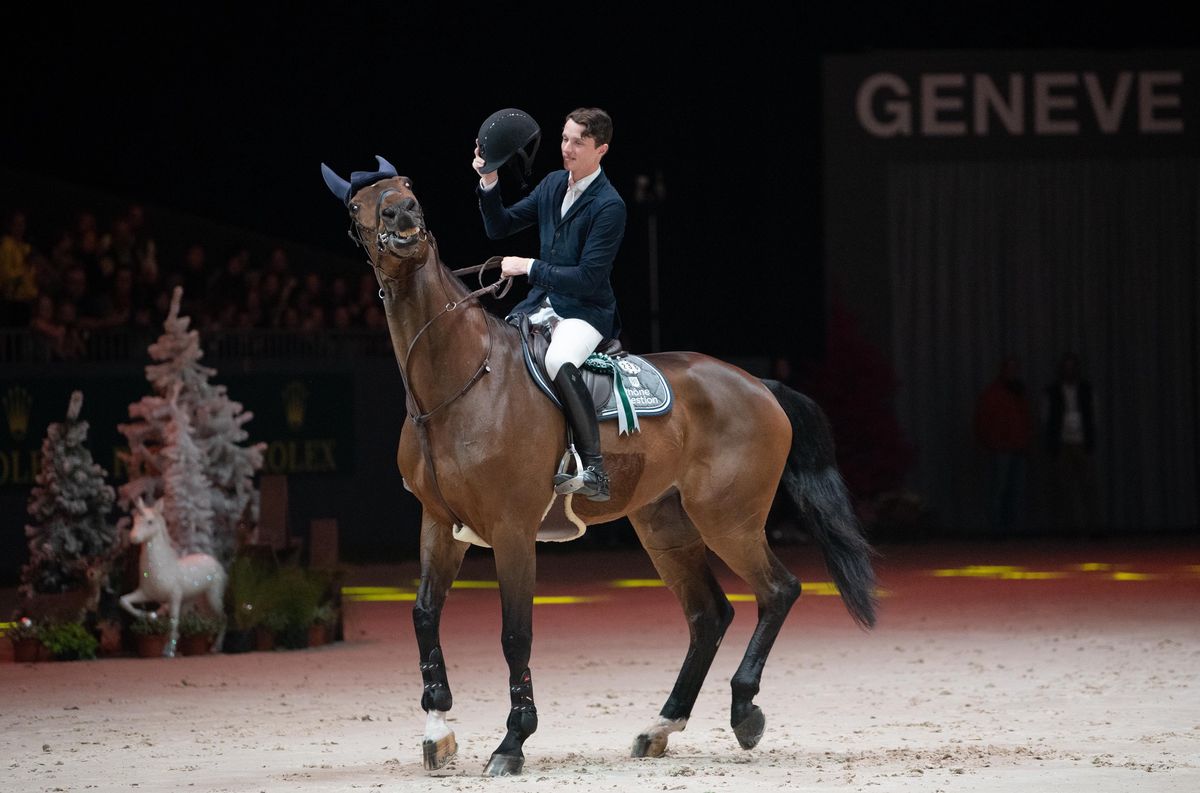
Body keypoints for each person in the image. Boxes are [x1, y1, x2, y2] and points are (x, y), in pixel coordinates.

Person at [472, 107, 626, 501]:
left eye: (578, 142)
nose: (567, 149)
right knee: (498, 350)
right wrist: (489, 180)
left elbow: (588, 277)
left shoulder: (609, 205)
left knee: (558, 359)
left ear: (601, 150)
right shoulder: (553, 184)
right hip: (542, 303)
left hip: (586, 311)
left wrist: (529, 266)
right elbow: (500, 227)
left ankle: (594, 467)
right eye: (564, 138)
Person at [973, 356, 1034, 538]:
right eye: (1009, 369)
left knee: (1016, 490)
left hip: (1018, 449)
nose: (1012, 373)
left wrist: (1025, 441)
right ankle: (996, 529)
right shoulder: (992, 394)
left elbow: (1027, 420)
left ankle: (1012, 528)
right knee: (998, 489)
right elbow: (982, 422)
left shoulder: (1020, 394)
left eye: (1015, 369)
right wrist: (992, 443)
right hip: (1000, 450)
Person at [1042, 352, 1100, 537]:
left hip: (1082, 442)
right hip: (1062, 443)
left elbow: (1094, 414)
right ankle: (1069, 529)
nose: (1070, 371)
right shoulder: (1052, 391)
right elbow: (1045, 417)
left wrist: (1089, 436)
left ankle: (1093, 527)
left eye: (1072, 367)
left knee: (1089, 486)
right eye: (1066, 368)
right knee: (1064, 487)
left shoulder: (1086, 390)